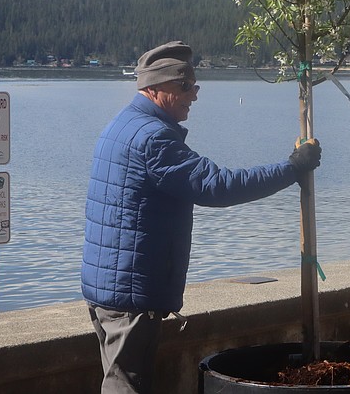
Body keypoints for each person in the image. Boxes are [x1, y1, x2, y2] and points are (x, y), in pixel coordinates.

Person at [81, 41, 322, 394]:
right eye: (183, 86)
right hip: (129, 296)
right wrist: (293, 168)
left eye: (194, 86)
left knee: (121, 381)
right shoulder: (153, 138)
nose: (192, 95)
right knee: (125, 388)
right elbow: (217, 186)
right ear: (154, 88)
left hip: (110, 288)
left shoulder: (123, 124)